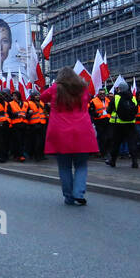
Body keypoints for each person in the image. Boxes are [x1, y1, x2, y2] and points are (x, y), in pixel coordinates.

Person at [42, 70, 96, 204]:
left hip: (60, 130)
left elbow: (42, 98)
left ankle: (69, 196)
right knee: (81, 165)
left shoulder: (55, 88)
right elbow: (89, 98)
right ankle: (79, 193)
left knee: (64, 166)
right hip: (82, 129)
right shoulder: (83, 88)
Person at [105, 84, 140, 168]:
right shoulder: (133, 98)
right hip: (131, 124)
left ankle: (112, 161)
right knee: (132, 143)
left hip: (118, 124)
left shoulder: (116, 98)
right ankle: (134, 162)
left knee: (116, 143)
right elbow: (136, 110)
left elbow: (109, 110)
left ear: (119, 89)